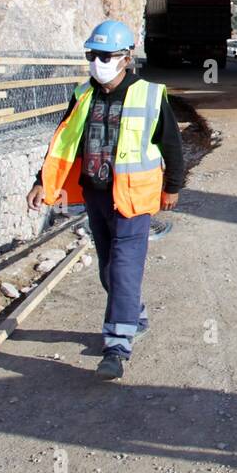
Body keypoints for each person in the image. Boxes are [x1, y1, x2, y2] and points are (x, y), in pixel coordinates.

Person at [26, 20, 185, 381]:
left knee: (123, 268)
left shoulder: (148, 95)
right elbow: (63, 145)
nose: (98, 61)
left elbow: (171, 145)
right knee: (107, 267)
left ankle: (116, 347)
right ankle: (135, 315)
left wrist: (172, 186)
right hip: (95, 196)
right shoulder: (83, 94)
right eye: (93, 55)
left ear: (126, 58)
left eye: (106, 55)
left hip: (132, 199)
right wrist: (42, 182)